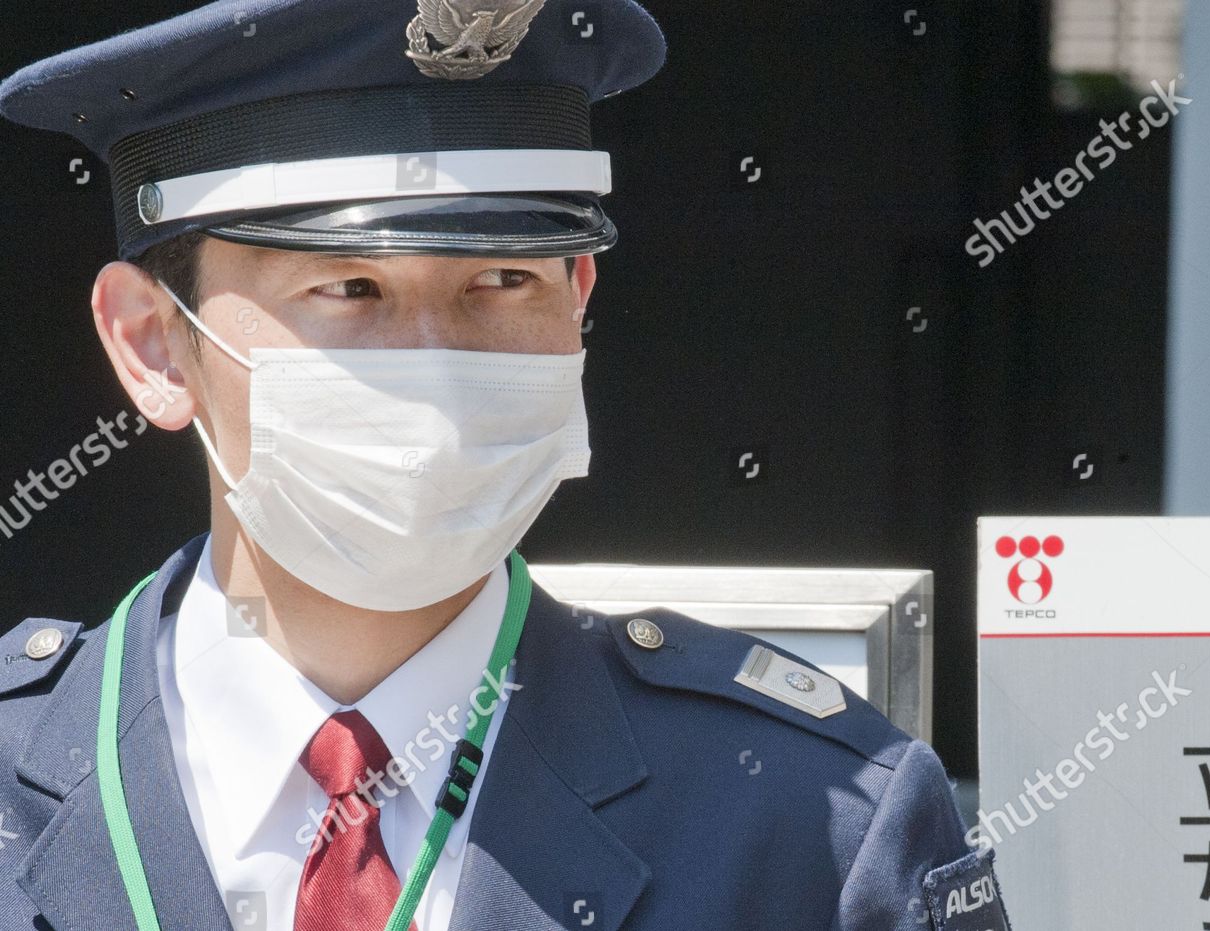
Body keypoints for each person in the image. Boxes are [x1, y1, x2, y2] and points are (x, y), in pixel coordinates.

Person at [0, 2, 1012, 929]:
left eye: (502, 278)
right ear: (151, 344)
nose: (433, 362)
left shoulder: (809, 823)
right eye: (348, 286)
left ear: (579, 298)